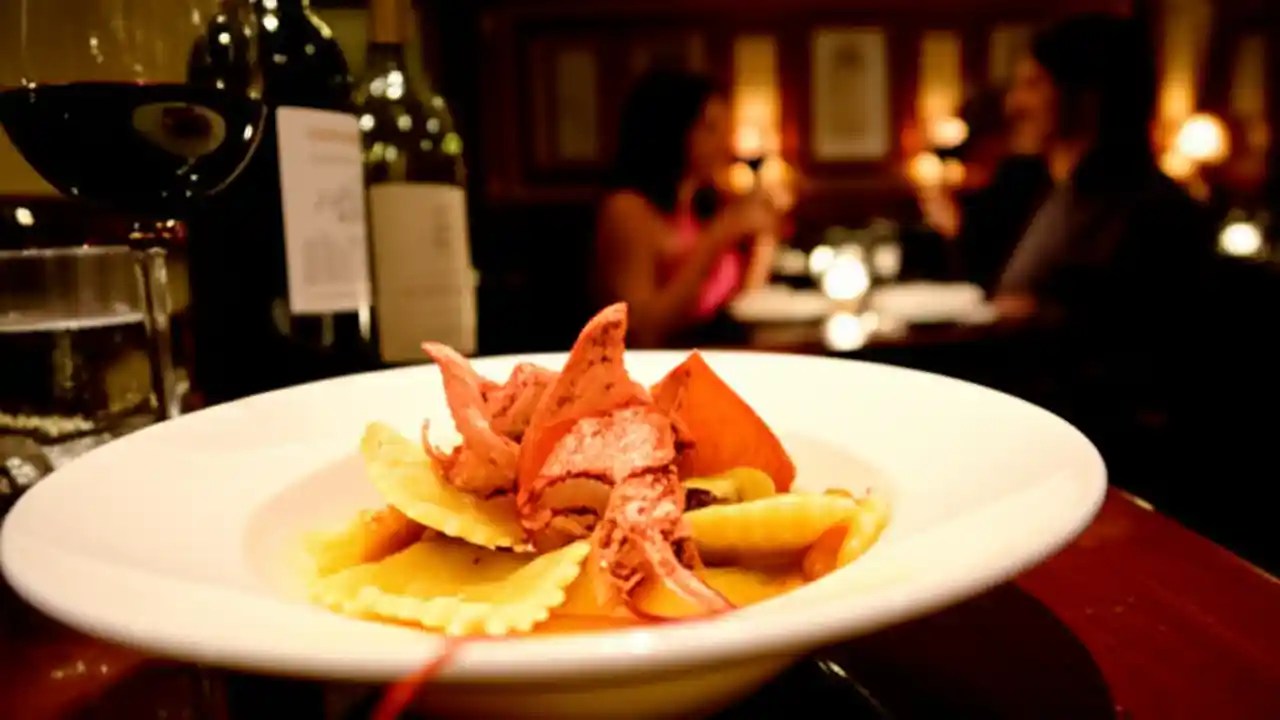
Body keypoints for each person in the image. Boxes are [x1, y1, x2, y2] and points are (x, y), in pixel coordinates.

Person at [594, 69, 778, 348]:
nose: (725, 144)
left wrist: (764, 237)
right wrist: (716, 238)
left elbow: (746, 298)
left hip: (719, 353)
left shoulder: (703, 203)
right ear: (671, 130)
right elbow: (641, 331)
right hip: (664, 364)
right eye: (711, 128)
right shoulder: (626, 210)